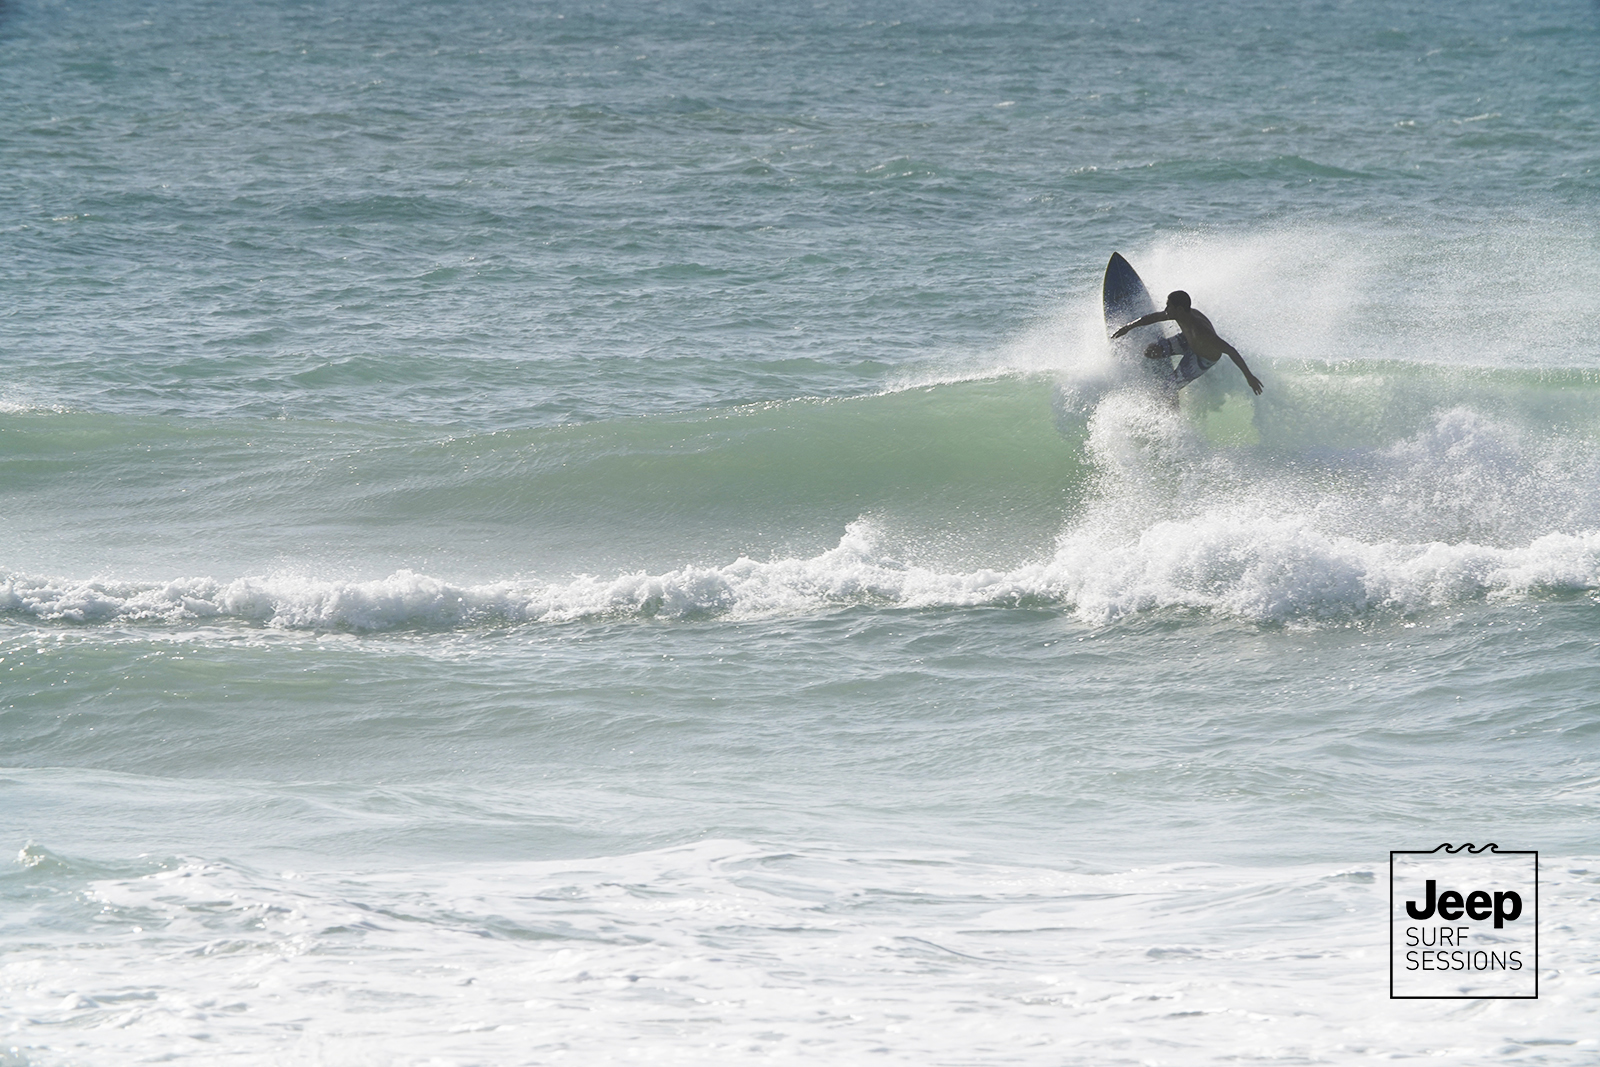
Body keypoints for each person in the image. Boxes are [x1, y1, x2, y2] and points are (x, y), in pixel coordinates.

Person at [1112, 290, 1263, 396]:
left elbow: (1231, 351)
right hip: (1187, 340)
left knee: (1166, 390)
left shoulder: (1202, 332)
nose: (1166, 309)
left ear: (1179, 308)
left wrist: (1249, 377)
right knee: (1150, 352)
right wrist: (1128, 327)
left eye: (1168, 306)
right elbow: (1153, 318)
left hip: (1202, 358)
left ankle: (1170, 413)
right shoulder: (1179, 314)